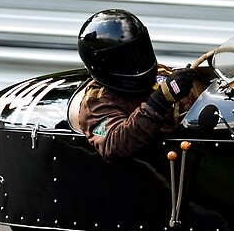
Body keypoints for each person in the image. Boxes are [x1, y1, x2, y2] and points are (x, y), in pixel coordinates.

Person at [76, 9, 200, 161]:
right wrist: (161, 100)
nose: (138, 61)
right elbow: (114, 145)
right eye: (126, 58)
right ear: (105, 64)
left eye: (140, 50)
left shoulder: (161, 73)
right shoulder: (95, 102)